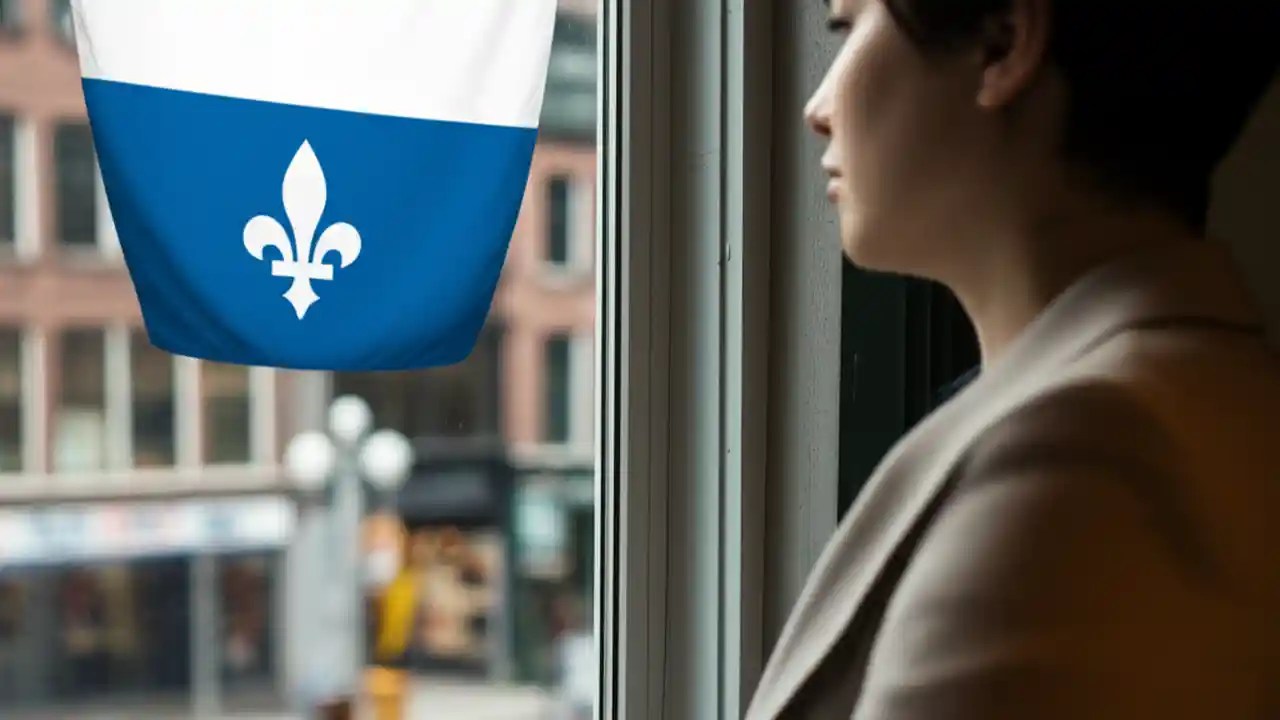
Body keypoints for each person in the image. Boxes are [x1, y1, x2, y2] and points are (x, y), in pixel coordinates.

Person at [745, 2, 1280, 719]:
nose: (818, 105)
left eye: (849, 26)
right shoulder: (1200, 404)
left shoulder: (1086, 461)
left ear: (1002, 44)